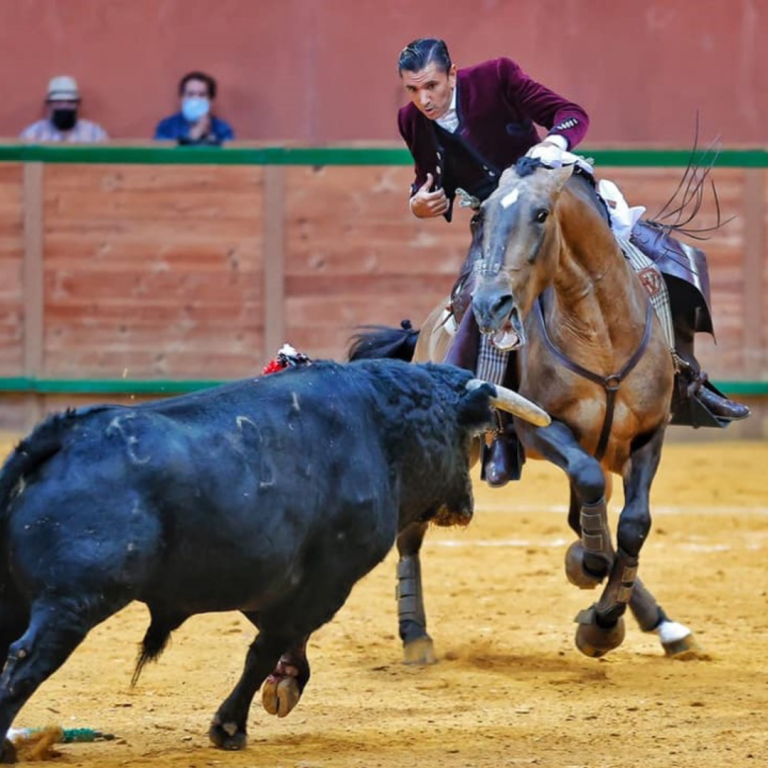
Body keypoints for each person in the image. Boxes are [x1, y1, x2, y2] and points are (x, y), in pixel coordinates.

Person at [397, 38, 749, 487]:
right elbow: (428, 181)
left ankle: (688, 379)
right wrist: (419, 203)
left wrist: (554, 143)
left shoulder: (497, 77)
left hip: (557, 198)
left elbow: (571, 114)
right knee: (478, 303)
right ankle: (499, 432)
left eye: (431, 85)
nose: (423, 99)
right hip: (501, 227)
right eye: (412, 90)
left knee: (659, 256)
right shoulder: (411, 121)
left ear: (453, 73)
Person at [20, 75, 108, 143]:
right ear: (49, 105)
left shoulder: (95, 134)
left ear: (78, 105)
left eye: (70, 102)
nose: (64, 107)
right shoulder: (33, 134)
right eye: (58, 103)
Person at [154, 71, 234, 145]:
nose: (196, 100)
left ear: (210, 101)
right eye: (190, 94)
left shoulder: (223, 128)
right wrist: (192, 137)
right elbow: (161, 157)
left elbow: (229, 157)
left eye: (202, 95)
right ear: (182, 99)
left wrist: (209, 137)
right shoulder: (167, 126)